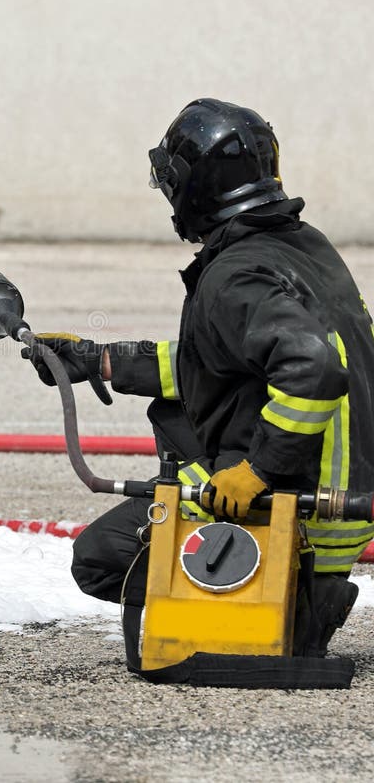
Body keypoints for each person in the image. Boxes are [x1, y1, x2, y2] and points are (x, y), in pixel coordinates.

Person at [23, 98, 374, 656]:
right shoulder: (299, 246)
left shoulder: (235, 274)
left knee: (101, 556)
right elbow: (218, 363)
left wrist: (257, 472)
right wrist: (98, 360)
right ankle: (288, 590)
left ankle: (286, 602)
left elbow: (314, 366)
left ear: (194, 187)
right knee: (171, 415)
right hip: (344, 496)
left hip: (304, 512)